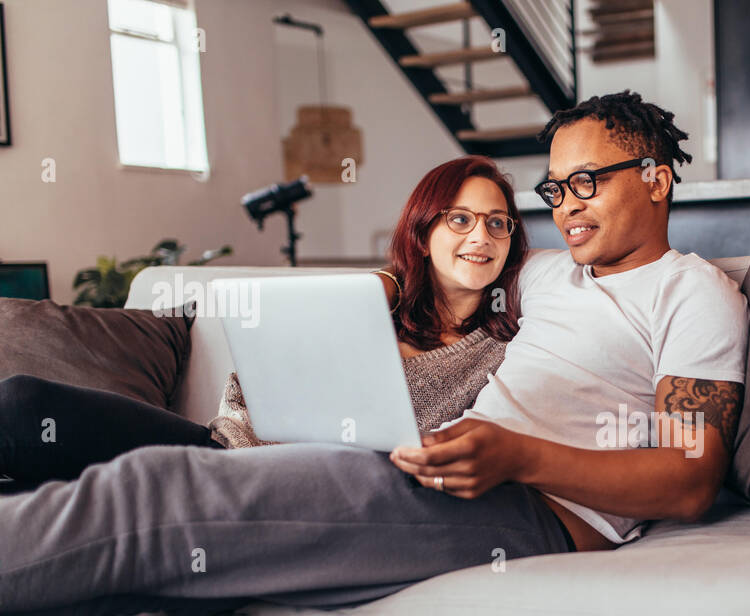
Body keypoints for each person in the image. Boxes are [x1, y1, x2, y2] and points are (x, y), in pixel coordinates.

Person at [0, 89, 748, 616]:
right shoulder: (549, 273)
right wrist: (381, 287)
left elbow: (688, 482)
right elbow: (446, 266)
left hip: (534, 511)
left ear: (655, 178)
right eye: (554, 190)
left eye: (587, 181)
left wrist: (520, 456)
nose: (566, 206)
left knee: (161, 493)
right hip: (436, 464)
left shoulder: (695, 294)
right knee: (143, 534)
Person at [0, 155, 527, 484]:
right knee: (24, 404)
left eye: (497, 223)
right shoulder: (371, 301)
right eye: (460, 219)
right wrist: (380, 288)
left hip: (290, 490)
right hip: (219, 454)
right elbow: (253, 387)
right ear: (423, 231)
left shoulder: (501, 350)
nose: (481, 237)